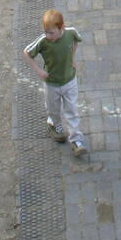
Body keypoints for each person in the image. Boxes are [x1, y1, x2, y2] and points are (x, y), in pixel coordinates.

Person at [23, 9, 86, 157]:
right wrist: (38, 70)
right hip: (51, 84)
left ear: (61, 28)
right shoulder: (43, 41)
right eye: (45, 32)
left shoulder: (70, 33)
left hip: (70, 81)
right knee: (53, 108)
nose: (47, 36)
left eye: (51, 32)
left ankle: (76, 141)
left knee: (71, 109)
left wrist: (72, 59)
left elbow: (76, 40)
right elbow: (27, 52)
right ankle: (55, 125)